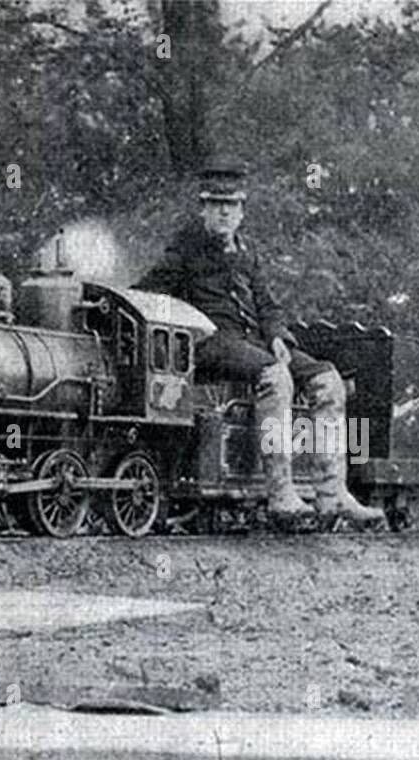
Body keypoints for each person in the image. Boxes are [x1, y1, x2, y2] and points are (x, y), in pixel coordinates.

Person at [135, 159, 383, 527]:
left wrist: (279, 336)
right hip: (210, 344)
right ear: (202, 209)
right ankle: (281, 493)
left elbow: (267, 305)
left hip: (254, 344)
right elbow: (147, 295)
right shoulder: (184, 252)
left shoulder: (248, 254)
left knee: (328, 380)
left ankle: (333, 495)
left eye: (231, 205)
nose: (223, 212)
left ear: (241, 212)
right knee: (276, 376)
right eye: (215, 204)